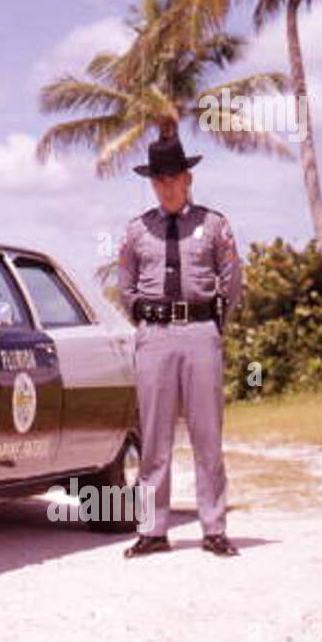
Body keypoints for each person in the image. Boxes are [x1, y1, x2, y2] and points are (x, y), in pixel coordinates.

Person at [117, 128, 243, 558]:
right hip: (154, 338)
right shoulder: (138, 231)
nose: (167, 186)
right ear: (152, 184)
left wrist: (210, 327)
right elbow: (126, 286)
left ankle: (213, 528)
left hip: (200, 334)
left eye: (174, 178)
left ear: (188, 179)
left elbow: (232, 281)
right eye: (159, 180)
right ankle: (153, 531)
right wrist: (148, 324)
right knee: (154, 437)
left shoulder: (214, 225)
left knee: (208, 434)